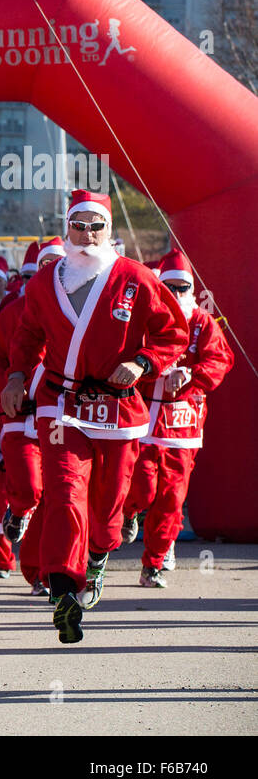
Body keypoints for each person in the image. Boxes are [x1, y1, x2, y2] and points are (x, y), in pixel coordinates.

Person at [3, 189, 188, 643]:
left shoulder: (135, 277)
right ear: (66, 229)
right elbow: (27, 336)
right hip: (61, 402)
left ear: (110, 231)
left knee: (107, 508)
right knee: (65, 490)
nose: (87, 234)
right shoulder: (46, 281)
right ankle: (65, 587)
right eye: (79, 226)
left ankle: (99, 556)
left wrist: (144, 363)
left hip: (119, 406)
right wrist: (15, 377)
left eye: (96, 226)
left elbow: (172, 332)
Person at [121, 249, 233, 587]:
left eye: (182, 288)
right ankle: (128, 512)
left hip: (183, 428)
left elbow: (220, 361)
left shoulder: (203, 322)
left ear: (192, 290)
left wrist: (191, 374)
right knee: (140, 486)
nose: (176, 294)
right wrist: (152, 373)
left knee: (171, 500)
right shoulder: (142, 321)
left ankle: (152, 564)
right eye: (169, 287)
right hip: (143, 423)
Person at [0, 237, 64, 594]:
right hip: (20, 416)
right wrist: (7, 392)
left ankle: (40, 574)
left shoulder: (81, 309)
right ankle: (16, 511)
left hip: (62, 415)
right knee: (30, 488)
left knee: (55, 498)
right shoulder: (15, 311)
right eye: (44, 265)